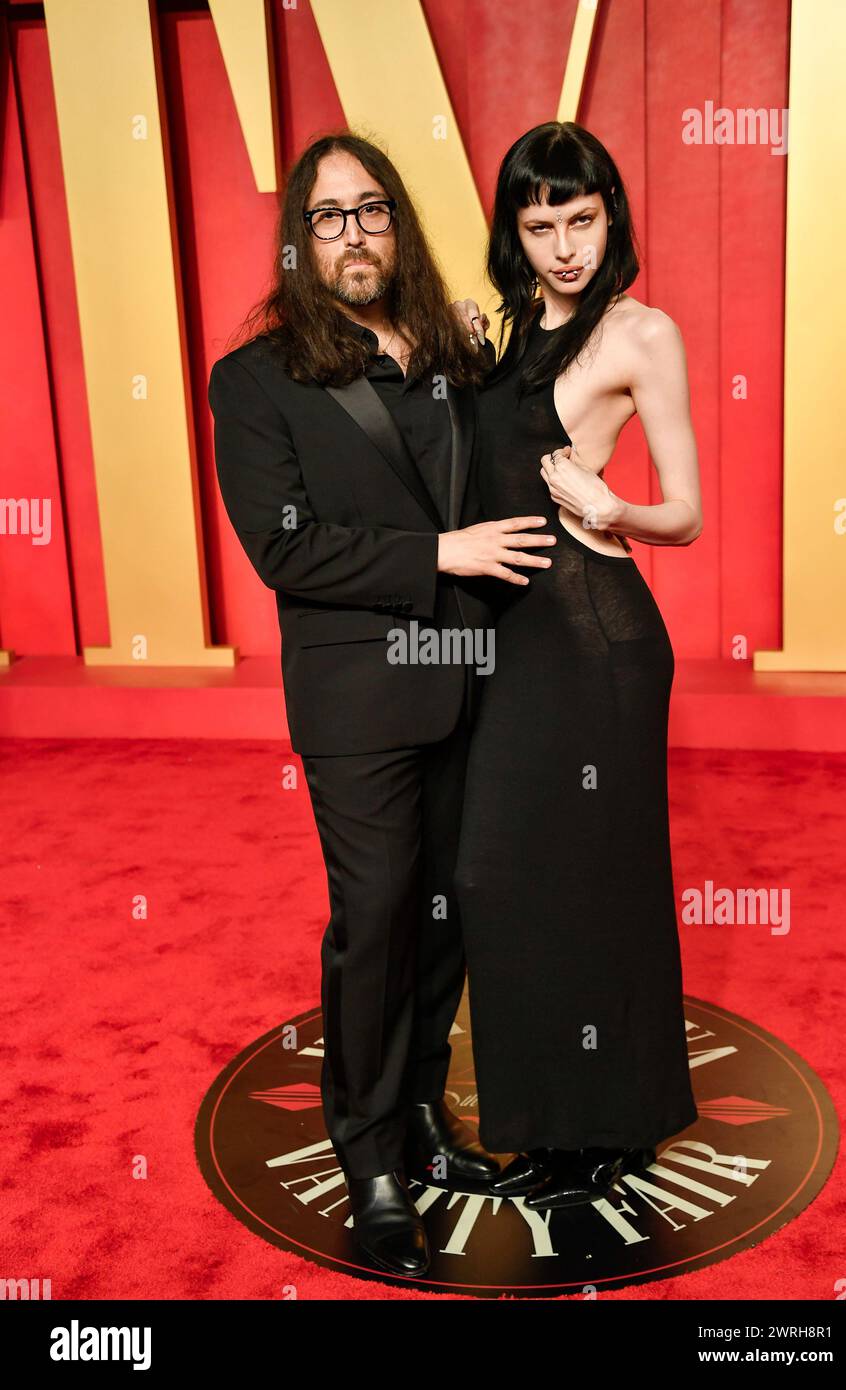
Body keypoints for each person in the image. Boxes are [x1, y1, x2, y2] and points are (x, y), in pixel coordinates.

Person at [207, 133, 556, 1275]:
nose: (354, 232)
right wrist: (439, 549)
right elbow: (282, 546)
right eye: (328, 215)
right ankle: (365, 1151)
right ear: (299, 243)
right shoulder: (255, 378)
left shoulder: (450, 347)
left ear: (396, 224)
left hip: (469, 672)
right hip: (358, 695)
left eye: (371, 210)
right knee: (380, 913)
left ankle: (417, 1114)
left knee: (450, 910)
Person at [450, 122, 702, 1209]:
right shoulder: (505, 339)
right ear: (514, 229)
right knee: (499, 877)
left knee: (600, 884)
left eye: (582, 220)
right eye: (541, 224)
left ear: (612, 215)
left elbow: (687, 513)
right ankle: (547, 1121)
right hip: (516, 645)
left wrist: (617, 506)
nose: (563, 246)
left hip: (600, 640)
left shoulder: (642, 334)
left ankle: (613, 1126)